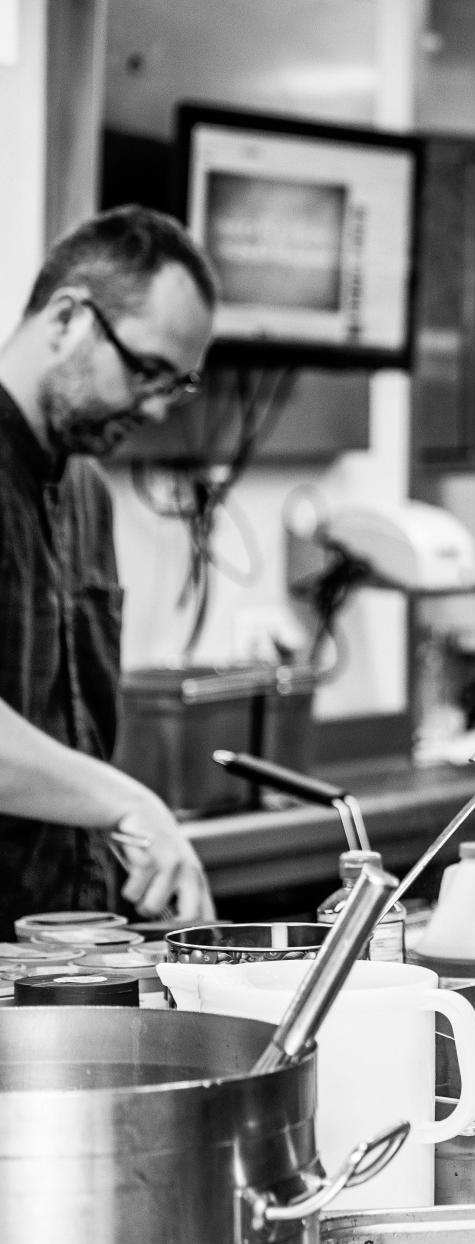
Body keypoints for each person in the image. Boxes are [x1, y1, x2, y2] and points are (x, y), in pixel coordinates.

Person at [0, 205, 219, 931]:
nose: (156, 408)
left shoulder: (87, 491)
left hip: (68, 953)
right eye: (148, 371)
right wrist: (130, 801)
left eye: (177, 385)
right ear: (66, 318)